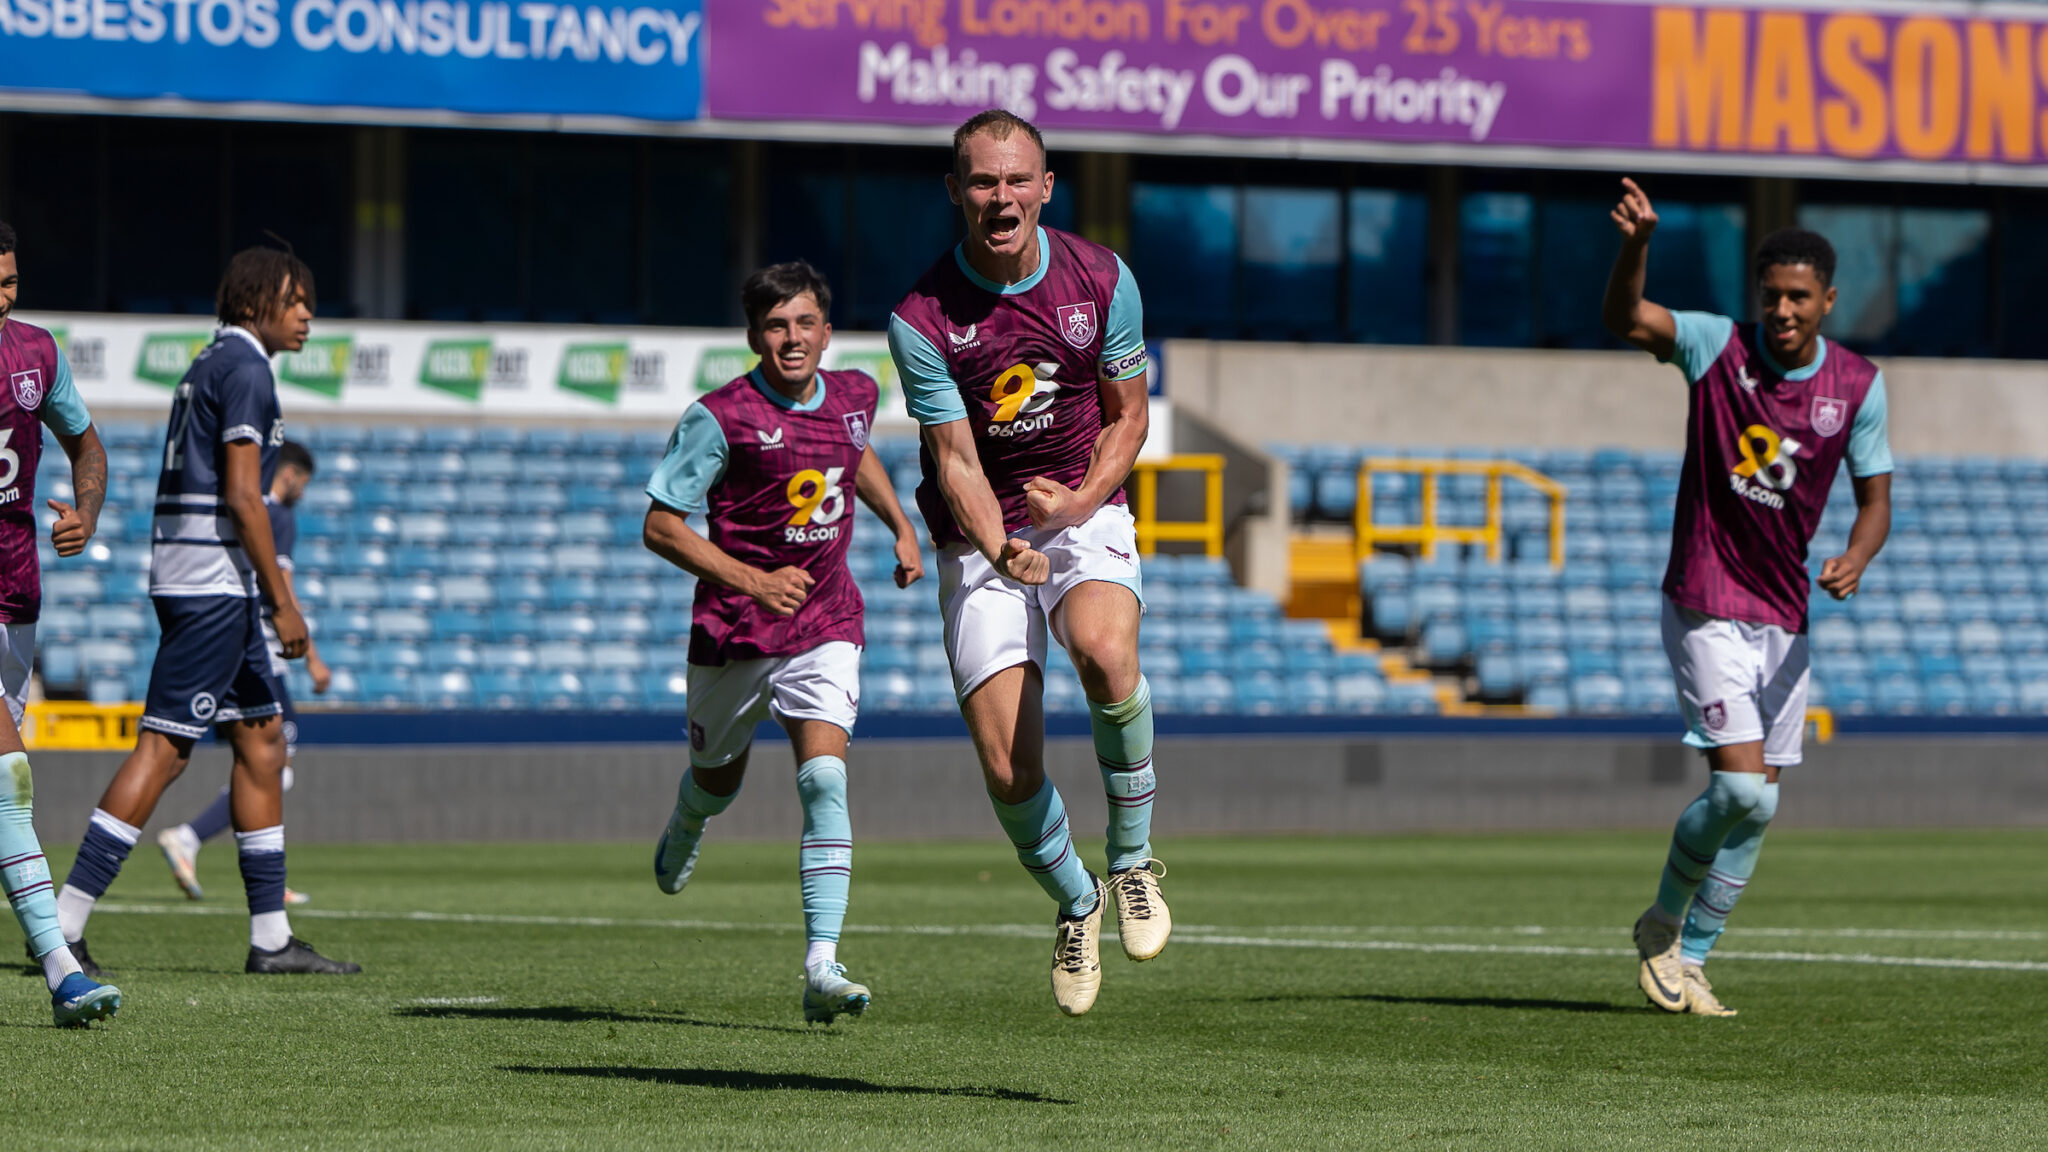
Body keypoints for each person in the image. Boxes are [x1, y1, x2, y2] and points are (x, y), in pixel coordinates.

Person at [887, 110, 1167, 1017]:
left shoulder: (1102, 277)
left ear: (1046, 187)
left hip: (1083, 507)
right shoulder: (921, 319)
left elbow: (1128, 415)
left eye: (1016, 180)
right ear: (955, 193)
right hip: (981, 536)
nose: (999, 197)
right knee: (1008, 767)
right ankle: (1077, 901)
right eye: (981, 181)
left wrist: (1081, 504)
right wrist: (1002, 545)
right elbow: (957, 461)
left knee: (1104, 653)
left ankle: (1131, 860)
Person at [1602, 179, 1891, 1016]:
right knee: (1738, 791)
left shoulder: (1860, 388)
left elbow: (1875, 502)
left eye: (1800, 297)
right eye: (1773, 296)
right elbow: (1628, 319)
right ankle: (1662, 923)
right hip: (1704, 595)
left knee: (1762, 807)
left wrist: (1857, 557)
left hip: (1784, 615)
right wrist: (1636, 245)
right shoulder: (1715, 348)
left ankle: (1692, 959)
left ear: (1828, 300)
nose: (1784, 310)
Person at [55, 247, 359, 977]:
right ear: (256, 303)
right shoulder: (248, 369)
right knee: (164, 750)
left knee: (262, 744)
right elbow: (244, 496)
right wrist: (284, 606)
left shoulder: (209, 363)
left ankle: (271, 939)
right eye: (295, 300)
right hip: (213, 582)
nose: (307, 314)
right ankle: (59, 924)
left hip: (202, 577)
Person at [645, 261, 924, 1024]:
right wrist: (753, 581)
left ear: (826, 332)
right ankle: (689, 818)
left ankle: (822, 965)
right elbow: (661, 525)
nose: (792, 339)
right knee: (717, 782)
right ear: (754, 336)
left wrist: (901, 528)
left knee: (824, 782)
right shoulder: (719, 416)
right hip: (735, 631)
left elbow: (855, 451)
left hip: (825, 621)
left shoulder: (859, 394)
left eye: (804, 324)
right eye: (776, 326)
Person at [0, 218, 124, 1025]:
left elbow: (89, 448)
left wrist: (85, 512)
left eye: (8, 282)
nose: (1, 296)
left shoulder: (37, 355)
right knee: (9, 778)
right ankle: (61, 971)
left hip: (16, 601)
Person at [158, 439, 329, 904]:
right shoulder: (278, 516)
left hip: (226, 643)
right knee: (275, 765)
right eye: (304, 483)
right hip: (262, 656)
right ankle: (192, 839)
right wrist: (312, 656)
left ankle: (264, 875)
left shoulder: (247, 511)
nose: (302, 493)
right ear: (290, 474)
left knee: (249, 760)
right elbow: (284, 587)